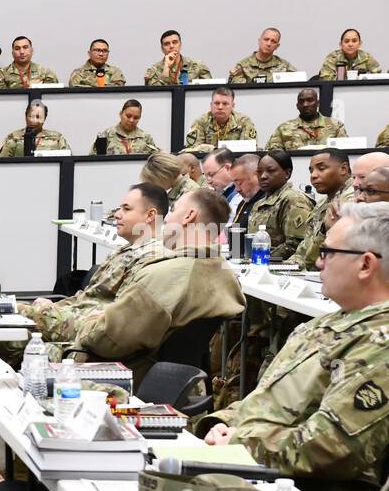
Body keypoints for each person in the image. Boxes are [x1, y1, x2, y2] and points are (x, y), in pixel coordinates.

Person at [198, 203, 389, 484]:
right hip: (251, 463)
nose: (319, 262)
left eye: (328, 252)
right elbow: (267, 401)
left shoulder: (379, 345)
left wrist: (240, 443)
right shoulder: (327, 323)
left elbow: (328, 448)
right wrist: (223, 424)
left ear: (365, 264)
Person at [68, 188, 244, 383]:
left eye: (173, 210)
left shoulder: (165, 276)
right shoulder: (223, 273)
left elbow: (107, 341)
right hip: (176, 382)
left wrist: (90, 322)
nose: (166, 220)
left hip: (124, 376)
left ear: (189, 216)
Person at [21, 183, 170, 342]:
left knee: (11, 318)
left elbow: (117, 316)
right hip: (77, 317)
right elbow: (86, 298)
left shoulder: (151, 258)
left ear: (150, 216)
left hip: (89, 330)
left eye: (126, 209)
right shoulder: (126, 249)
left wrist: (46, 311)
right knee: (7, 313)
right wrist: (54, 307)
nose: (117, 215)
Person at [248, 149, 313, 263]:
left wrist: (261, 259)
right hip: (261, 265)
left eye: (271, 171)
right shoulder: (259, 204)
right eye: (259, 171)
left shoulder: (294, 200)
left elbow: (295, 245)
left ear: (287, 173)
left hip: (284, 269)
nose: (263, 176)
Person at [295, 148, 355, 270]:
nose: (313, 175)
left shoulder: (353, 199)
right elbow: (304, 250)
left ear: (343, 169)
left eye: (321, 169)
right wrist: (287, 266)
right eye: (311, 171)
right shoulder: (322, 203)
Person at [267, 87, 348, 150]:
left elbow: (346, 150)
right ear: (297, 106)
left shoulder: (335, 125)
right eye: (301, 101)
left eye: (309, 100)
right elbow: (273, 153)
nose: (305, 104)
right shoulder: (284, 128)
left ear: (318, 103)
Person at [183, 86, 258, 152]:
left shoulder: (244, 121)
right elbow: (192, 149)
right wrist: (216, 149)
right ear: (211, 105)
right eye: (217, 103)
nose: (220, 107)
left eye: (225, 104)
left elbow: (250, 147)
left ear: (233, 106)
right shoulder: (201, 122)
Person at [0, 100, 69, 157]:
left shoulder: (57, 138)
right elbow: (2, 163)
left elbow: (67, 161)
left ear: (45, 118)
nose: (34, 121)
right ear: (25, 117)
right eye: (30, 116)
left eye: (38, 117)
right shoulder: (14, 137)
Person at [90, 99, 160, 155]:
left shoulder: (146, 138)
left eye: (136, 118)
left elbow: (156, 160)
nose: (131, 120)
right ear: (120, 114)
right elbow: (93, 160)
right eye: (128, 116)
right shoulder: (107, 135)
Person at [144, 29, 212, 85]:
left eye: (175, 42)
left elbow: (210, 90)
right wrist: (166, 67)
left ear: (180, 45)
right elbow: (153, 94)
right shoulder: (153, 70)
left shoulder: (197, 65)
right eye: (167, 44)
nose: (171, 46)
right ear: (162, 49)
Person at [228, 28, 296, 83]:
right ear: (259, 41)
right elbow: (238, 90)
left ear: (277, 46)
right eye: (266, 39)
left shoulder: (284, 65)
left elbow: (299, 82)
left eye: (273, 41)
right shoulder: (242, 66)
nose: (269, 44)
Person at [318, 29, 382, 80]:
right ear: (340, 44)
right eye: (346, 41)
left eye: (354, 41)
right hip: (338, 92)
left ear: (360, 43)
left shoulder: (366, 57)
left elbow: (378, 75)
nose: (350, 44)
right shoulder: (333, 58)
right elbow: (325, 78)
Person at [230, 154, 262, 228]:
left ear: (257, 175)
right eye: (234, 184)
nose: (237, 189)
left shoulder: (268, 203)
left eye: (239, 182)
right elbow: (236, 237)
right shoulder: (243, 204)